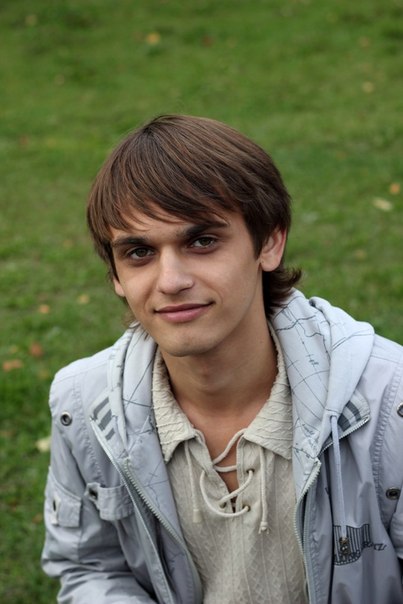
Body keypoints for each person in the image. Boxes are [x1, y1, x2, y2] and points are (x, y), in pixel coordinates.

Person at [41, 115, 403, 604]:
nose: (171, 281)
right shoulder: (83, 404)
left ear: (269, 243)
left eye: (202, 241)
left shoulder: (389, 403)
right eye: (139, 252)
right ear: (116, 276)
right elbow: (89, 566)